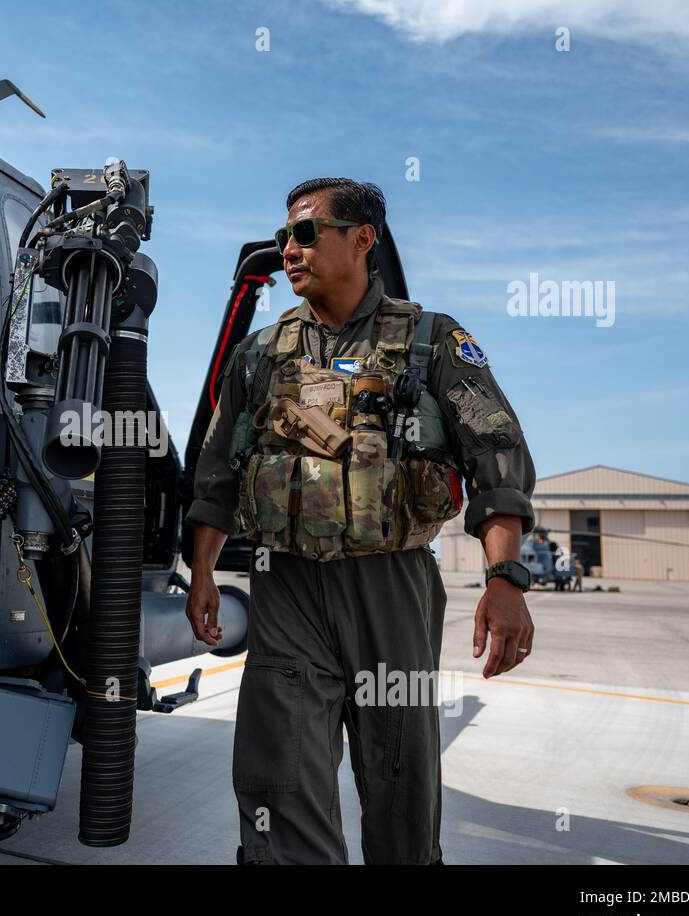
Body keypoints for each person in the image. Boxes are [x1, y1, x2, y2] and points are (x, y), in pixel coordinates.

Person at [186, 178, 537, 864]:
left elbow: (496, 457)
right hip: (287, 587)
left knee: (399, 779)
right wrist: (201, 571)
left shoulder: (433, 341)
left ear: (361, 238)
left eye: (308, 233)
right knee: (274, 773)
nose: (290, 249)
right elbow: (217, 475)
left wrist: (506, 577)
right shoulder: (259, 355)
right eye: (286, 235)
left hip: (393, 585)